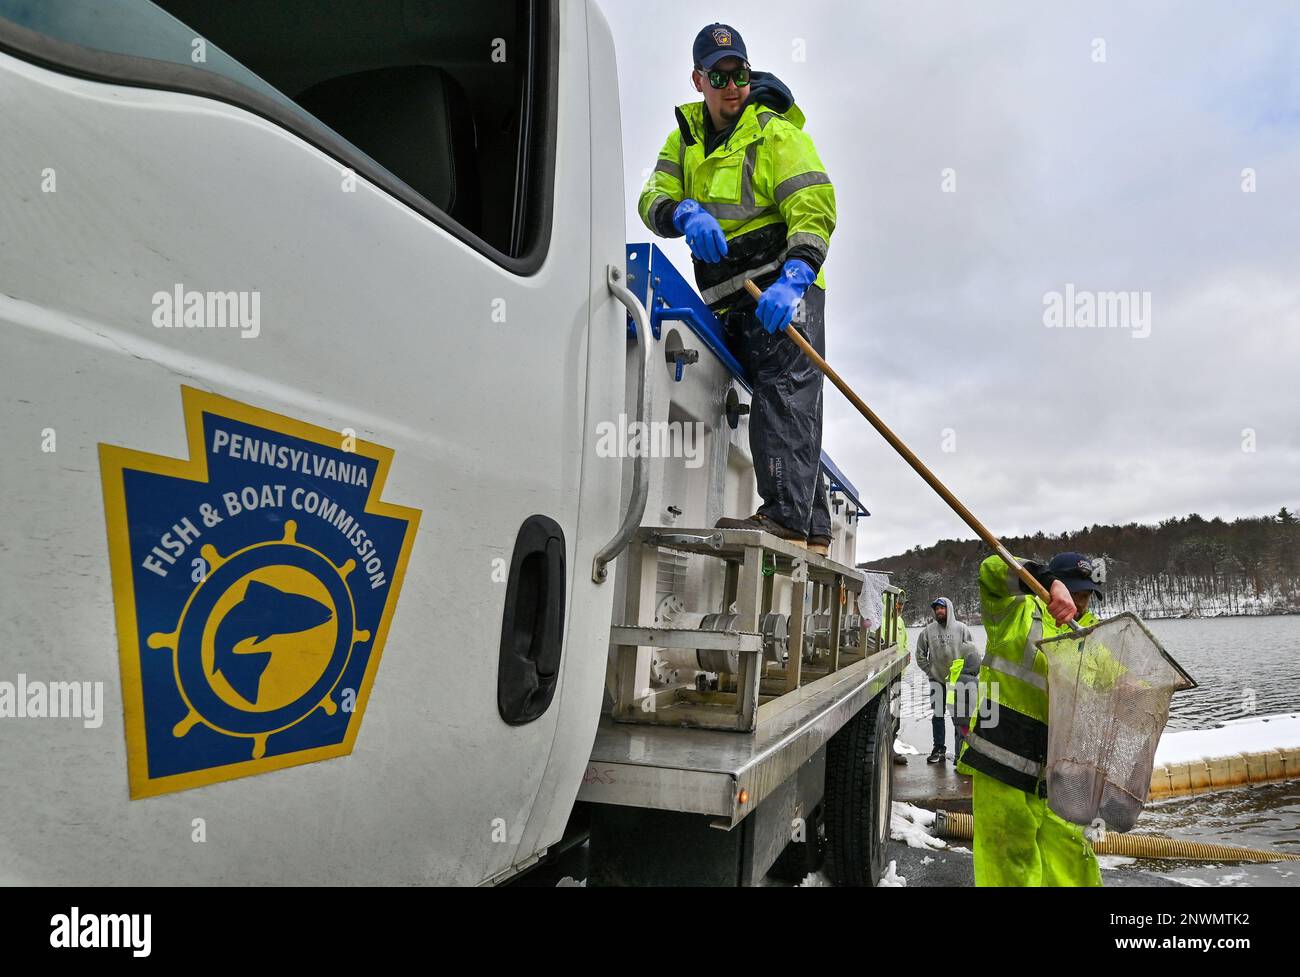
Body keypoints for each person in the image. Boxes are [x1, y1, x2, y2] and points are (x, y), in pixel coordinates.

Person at [638, 23, 837, 554]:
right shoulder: (683, 141)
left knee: (785, 392)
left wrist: (796, 277)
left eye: (740, 73)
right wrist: (681, 210)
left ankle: (787, 517)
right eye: (720, 75)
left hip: (779, 287)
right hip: (725, 295)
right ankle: (814, 525)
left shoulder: (776, 133)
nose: (732, 85)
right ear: (698, 79)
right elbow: (651, 195)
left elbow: (814, 206)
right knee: (783, 402)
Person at [956, 551, 1105, 887]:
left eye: (1086, 595)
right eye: (1074, 592)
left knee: (1072, 861)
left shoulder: (1092, 634)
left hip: (1060, 772)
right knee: (1009, 861)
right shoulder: (1013, 612)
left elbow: (1116, 681)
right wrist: (1047, 580)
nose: (1080, 603)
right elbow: (991, 570)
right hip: (1003, 762)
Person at [914, 597, 973, 763]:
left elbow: (972, 653)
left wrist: (967, 674)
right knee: (938, 715)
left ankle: (960, 753)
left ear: (949, 609)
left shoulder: (962, 629)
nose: (939, 611)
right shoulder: (928, 631)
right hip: (937, 680)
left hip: (958, 681)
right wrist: (929, 671)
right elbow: (919, 654)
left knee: (960, 717)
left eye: (942, 608)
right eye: (936, 609)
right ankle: (939, 749)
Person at [947, 641, 983, 769]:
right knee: (967, 738)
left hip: (955, 713)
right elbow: (974, 702)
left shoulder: (956, 675)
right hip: (966, 716)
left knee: (958, 735)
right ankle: (964, 763)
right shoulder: (972, 681)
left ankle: (957, 758)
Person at [893, 593, 911, 765]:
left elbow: (904, 644)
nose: (900, 606)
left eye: (902, 604)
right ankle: (889, 749)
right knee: (890, 713)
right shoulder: (882, 619)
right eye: (898, 603)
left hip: (898, 675)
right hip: (885, 676)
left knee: (896, 715)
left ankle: (892, 747)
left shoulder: (900, 622)